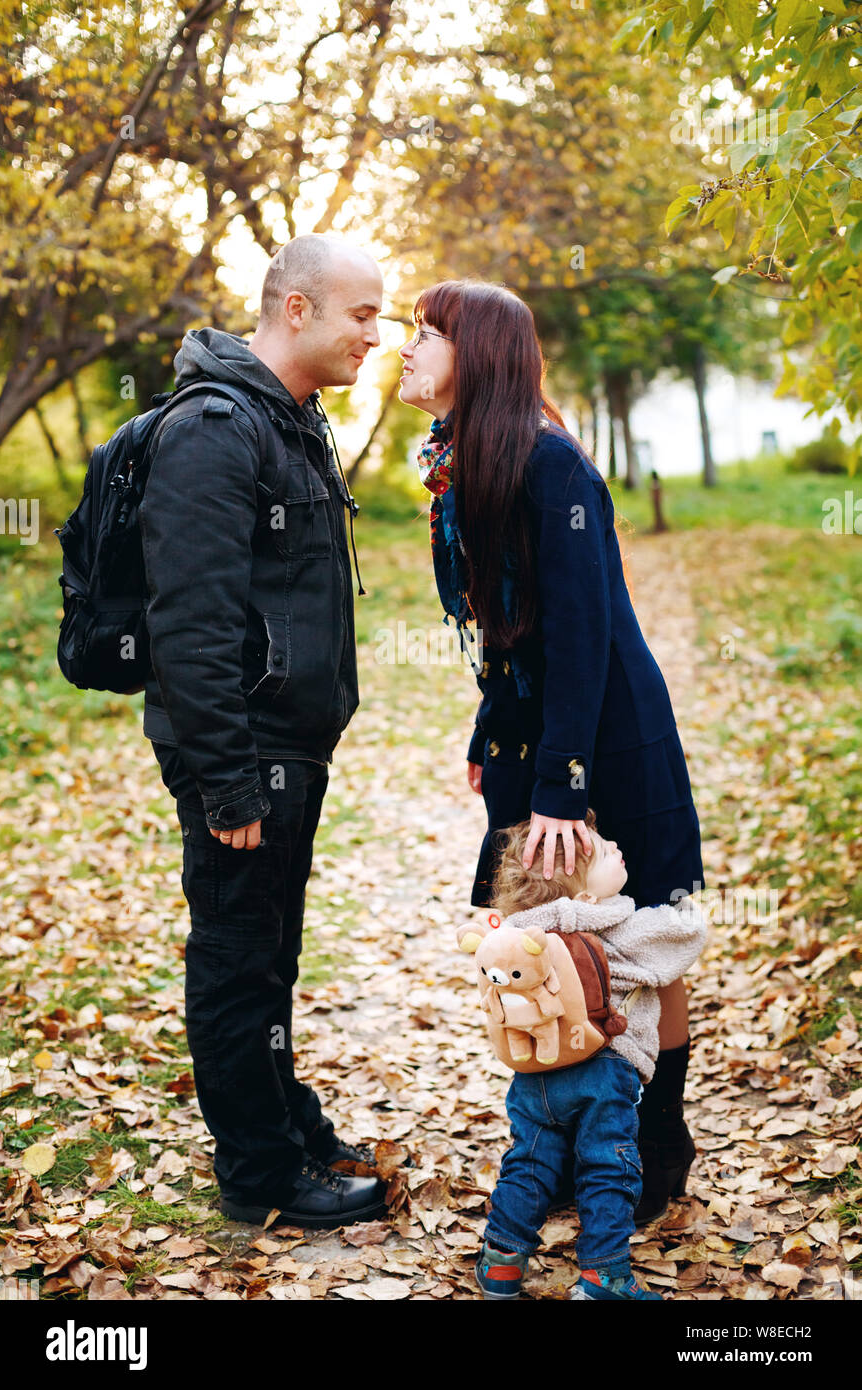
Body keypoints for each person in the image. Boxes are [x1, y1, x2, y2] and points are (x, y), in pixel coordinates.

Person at [398, 280, 706, 1224]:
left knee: (644, 941)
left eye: (425, 333)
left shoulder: (551, 464)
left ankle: (656, 1150)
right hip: (533, 740)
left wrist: (563, 789)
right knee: (545, 942)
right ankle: (581, 1145)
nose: (405, 349)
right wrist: (490, 738)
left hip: (604, 740)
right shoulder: (462, 466)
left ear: (478, 351)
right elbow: (506, 633)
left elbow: (582, 634)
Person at [140, 234, 388, 1228]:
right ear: (296, 310)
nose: (377, 334)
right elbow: (188, 624)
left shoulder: (289, 419)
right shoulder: (212, 428)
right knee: (238, 958)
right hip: (245, 753)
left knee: (269, 952)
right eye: (361, 314)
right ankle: (258, 1174)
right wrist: (227, 780)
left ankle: (284, 1121)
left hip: (288, 745)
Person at [471, 813, 707, 1300]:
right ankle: (604, 1275)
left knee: (529, 1161)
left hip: (536, 1074)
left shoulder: (514, 939)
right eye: (603, 852)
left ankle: (501, 1263)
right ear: (582, 900)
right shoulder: (624, 930)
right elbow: (688, 933)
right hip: (607, 1072)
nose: (617, 844)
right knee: (607, 1167)